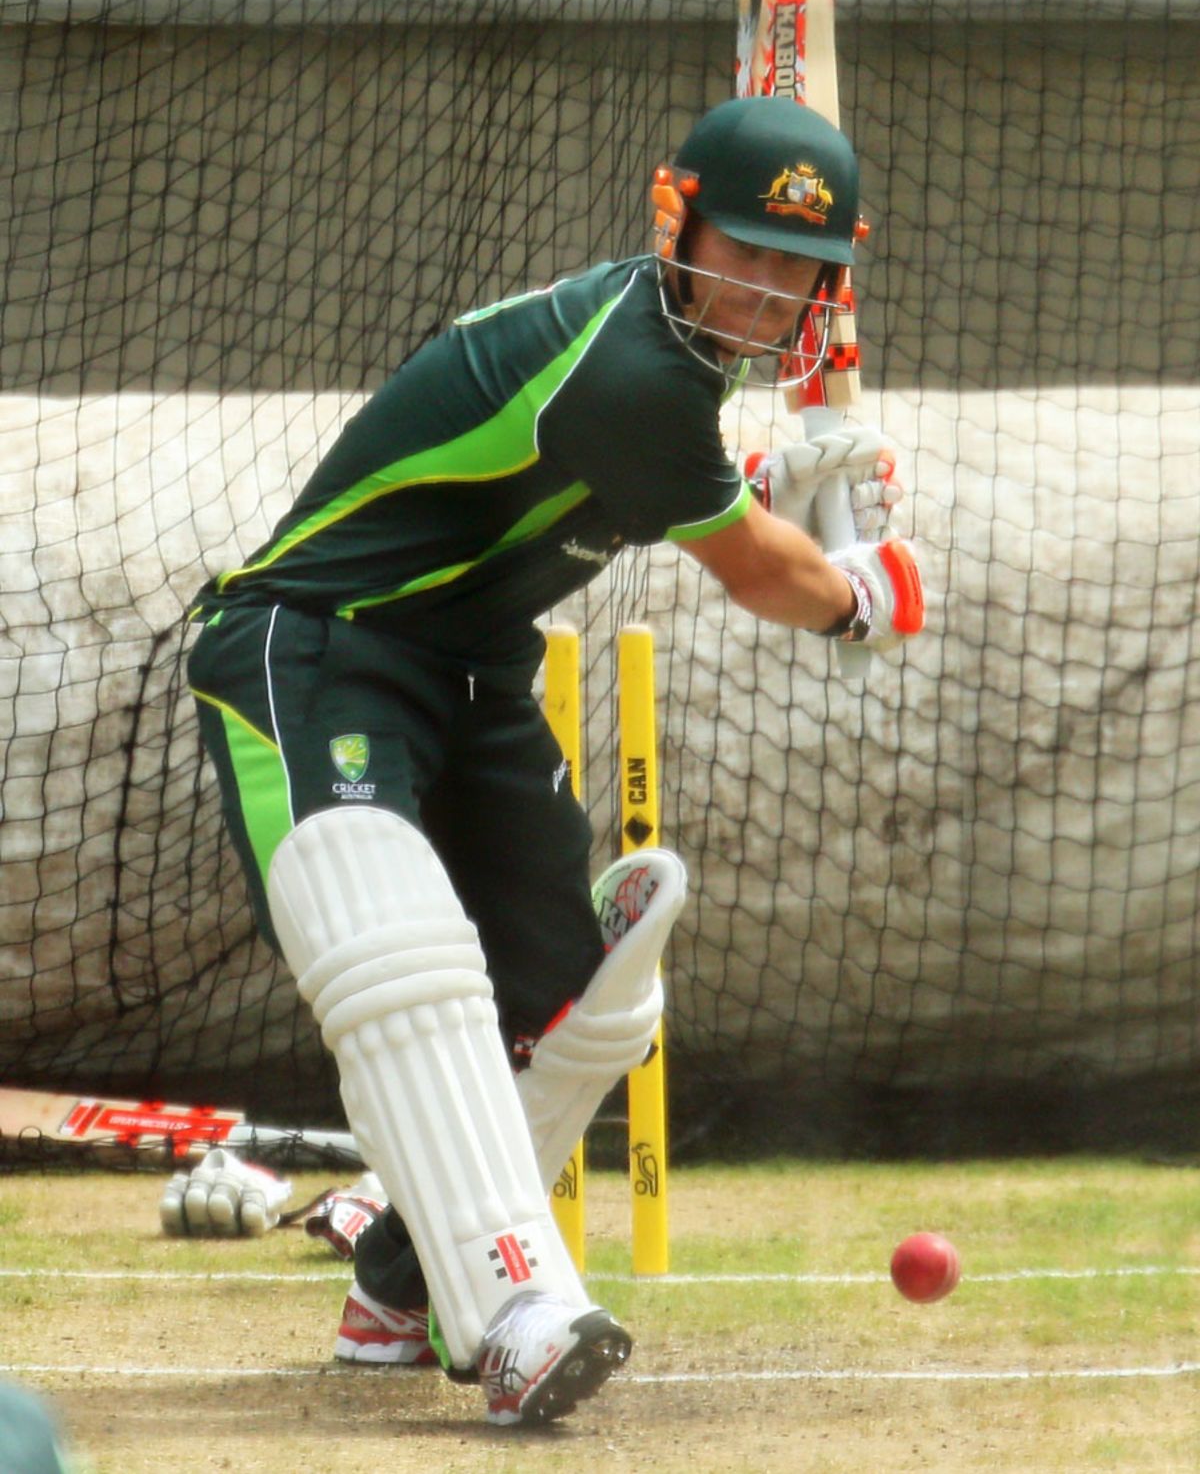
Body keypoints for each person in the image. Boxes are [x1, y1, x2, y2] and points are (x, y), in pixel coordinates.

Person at [185, 95, 924, 1427]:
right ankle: (514, 1310)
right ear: (672, 216)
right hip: (317, 646)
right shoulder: (635, 371)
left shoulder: (668, 381)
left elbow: (676, 488)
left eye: (794, 269)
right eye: (740, 251)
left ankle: (398, 1280)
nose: (762, 293)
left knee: (586, 1005)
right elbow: (758, 570)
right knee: (401, 946)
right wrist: (862, 585)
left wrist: (786, 486)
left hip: (467, 666)